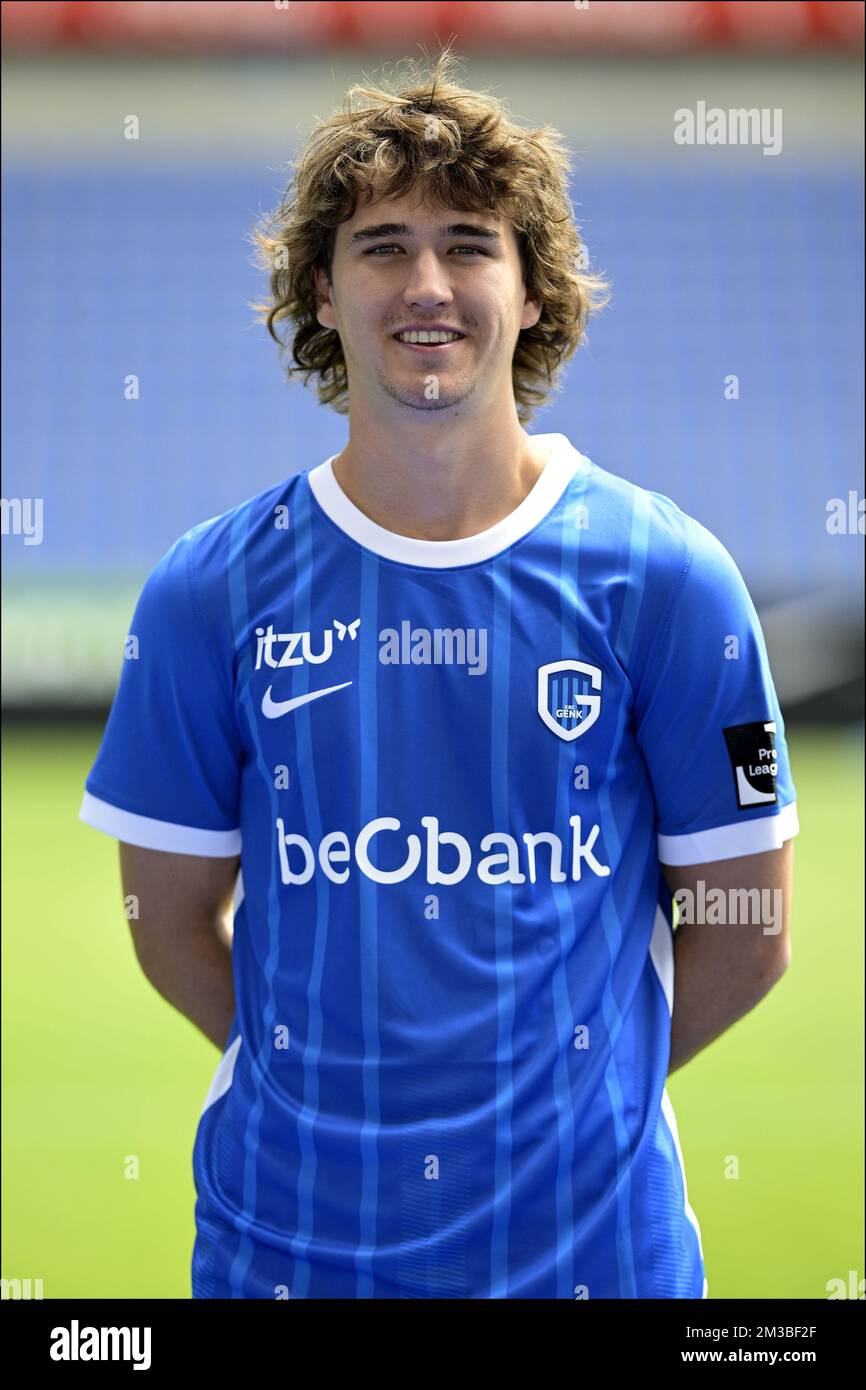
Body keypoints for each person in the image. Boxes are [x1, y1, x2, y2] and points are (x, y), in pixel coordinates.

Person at [79, 53, 798, 1299]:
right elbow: (165, 918)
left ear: (530, 296)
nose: (426, 285)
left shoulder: (666, 575)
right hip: (286, 1252)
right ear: (321, 287)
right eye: (381, 247)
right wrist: (318, 1091)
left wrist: (572, 1099)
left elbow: (748, 927)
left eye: (469, 245)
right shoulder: (208, 591)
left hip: (593, 1259)